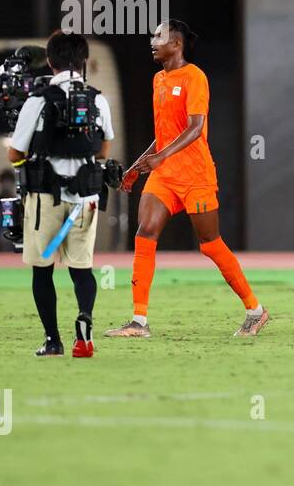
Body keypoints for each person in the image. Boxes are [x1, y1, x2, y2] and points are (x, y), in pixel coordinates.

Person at [108, 20, 268, 340]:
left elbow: (195, 129)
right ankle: (139, 321)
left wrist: (162, 156)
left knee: (210, 245)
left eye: (159, 36)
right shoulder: (158, 80)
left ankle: (255, 310)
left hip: (195, 174)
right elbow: (163, 134)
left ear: (177, 44)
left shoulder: (194, 77)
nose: (152, 41)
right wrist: (138, 166)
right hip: (165, 175)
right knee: (145, 234)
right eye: (153, 36)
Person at [6, 30, 114, 357]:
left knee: (43, 270)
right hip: (85, 198)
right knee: (82, 270)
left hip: (44, 197)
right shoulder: (97, 98)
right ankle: (84, 325)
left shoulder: (37, 100)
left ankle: (53, 341)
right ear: (84, 62)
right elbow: (103, 149)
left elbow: (14, 154)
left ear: (49, 61)